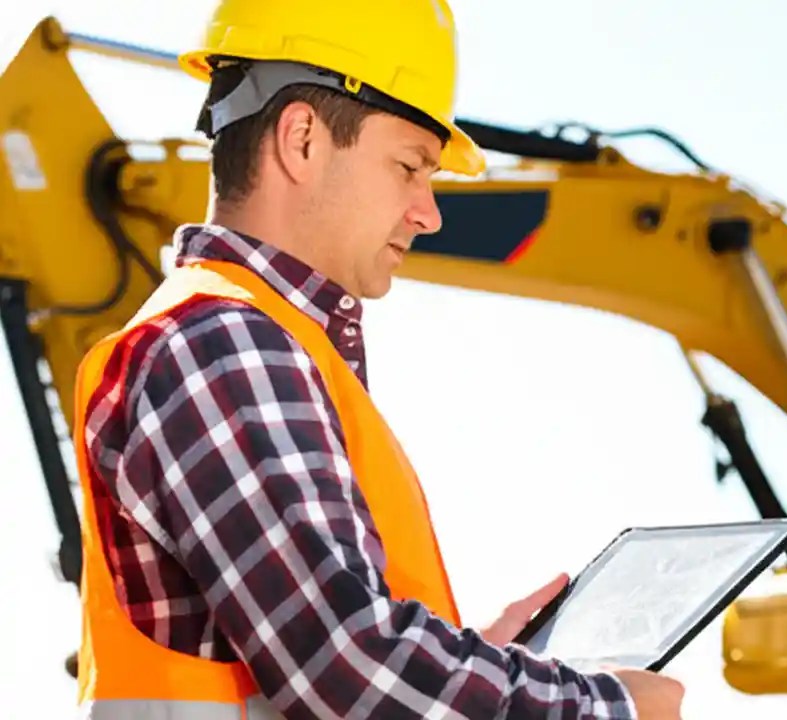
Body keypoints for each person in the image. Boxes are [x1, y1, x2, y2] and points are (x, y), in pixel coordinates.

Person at [68, 0, 686, 718]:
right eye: (409, 166)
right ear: (301, 140)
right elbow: (345, 664)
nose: (429, 213)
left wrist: (473, 661)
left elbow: (326, 658)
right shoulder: (226, 343)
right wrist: (605, 708)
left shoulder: (247, 340)